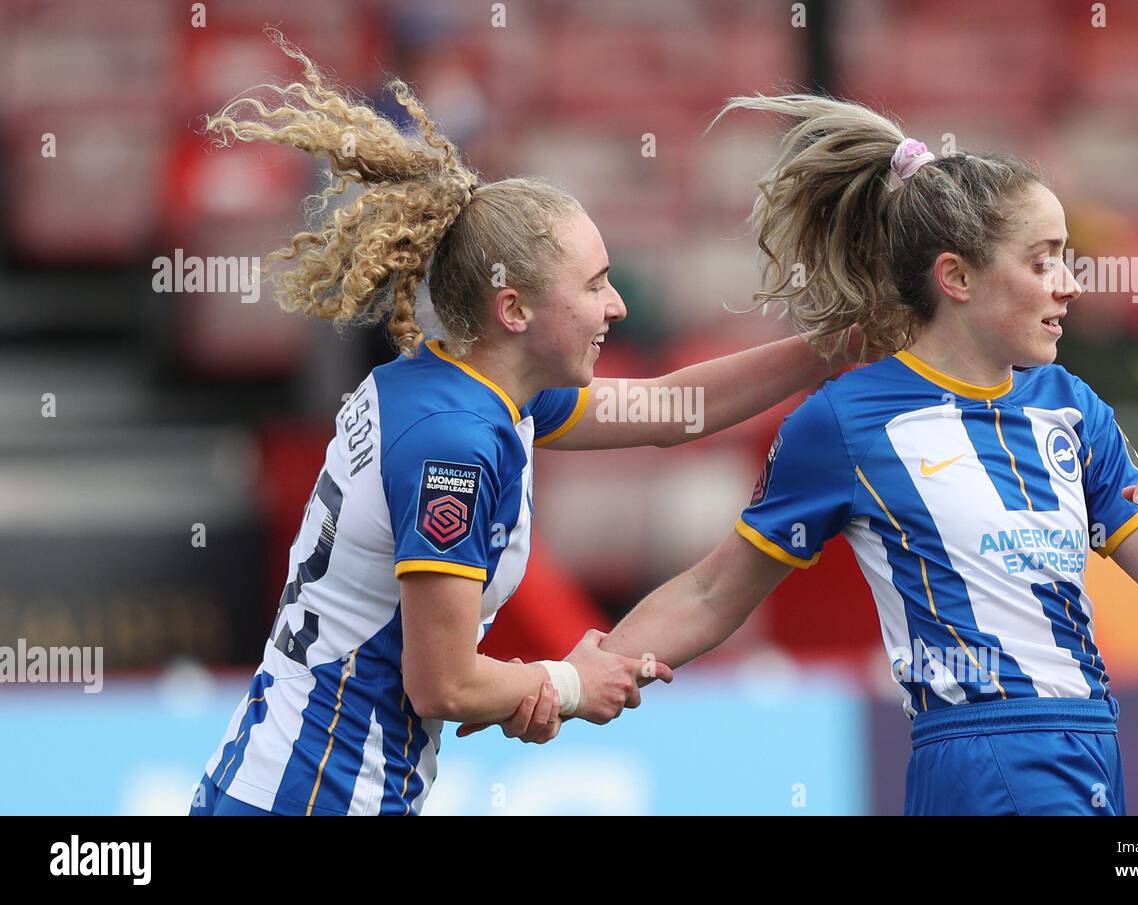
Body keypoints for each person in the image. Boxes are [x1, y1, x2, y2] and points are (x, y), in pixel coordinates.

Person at [189, 40, 852, 816]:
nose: (618, 307)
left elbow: (674, 410)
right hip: (315, 797)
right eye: (596, 285)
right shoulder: (456, 445)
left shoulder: (467, 386)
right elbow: (443, 681)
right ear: (516, 311)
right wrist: (569, 683)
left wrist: (830, 349)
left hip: (296, 783)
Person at [588, 95, 1138, 816]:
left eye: (1067, 260)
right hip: (985, 751)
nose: (1070, 283)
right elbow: (713, 592)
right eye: (1043, 260)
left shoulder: (1072, 405)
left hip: (1090, 743)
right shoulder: (848, 420)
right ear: (956, 278)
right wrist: (580, 671)